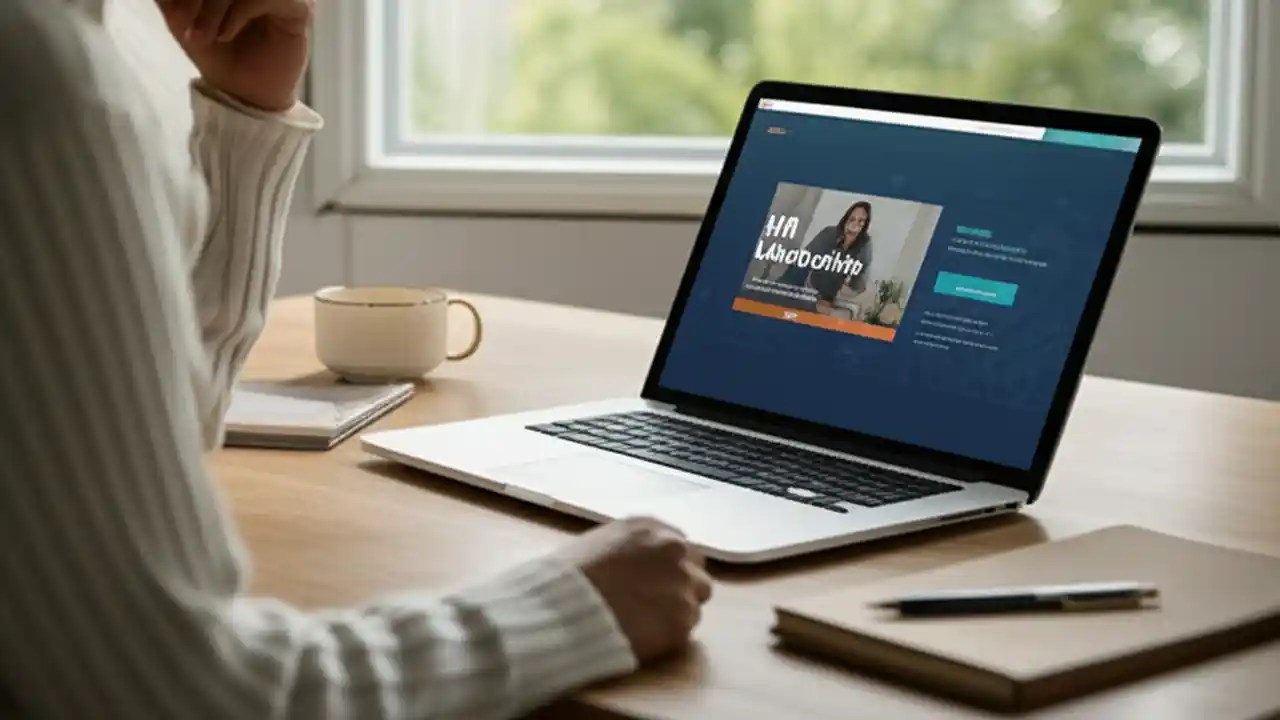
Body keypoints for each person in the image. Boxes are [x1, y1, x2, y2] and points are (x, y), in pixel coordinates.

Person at [0, 1, 712, 718]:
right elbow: (186, 695)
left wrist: (245, 113)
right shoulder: (39, 75)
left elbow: (148, 436)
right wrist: (574, 608)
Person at [779, 200, 875, 316]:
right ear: (846, 219)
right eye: (852, 219)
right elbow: (804, 259)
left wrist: (848, 290)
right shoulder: (829, 233)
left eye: (861, 221)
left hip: (828, 294)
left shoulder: (864, 245)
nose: (854, 224)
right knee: (792, 275)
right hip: (807, 282)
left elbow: (860, 280)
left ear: (865, 225)